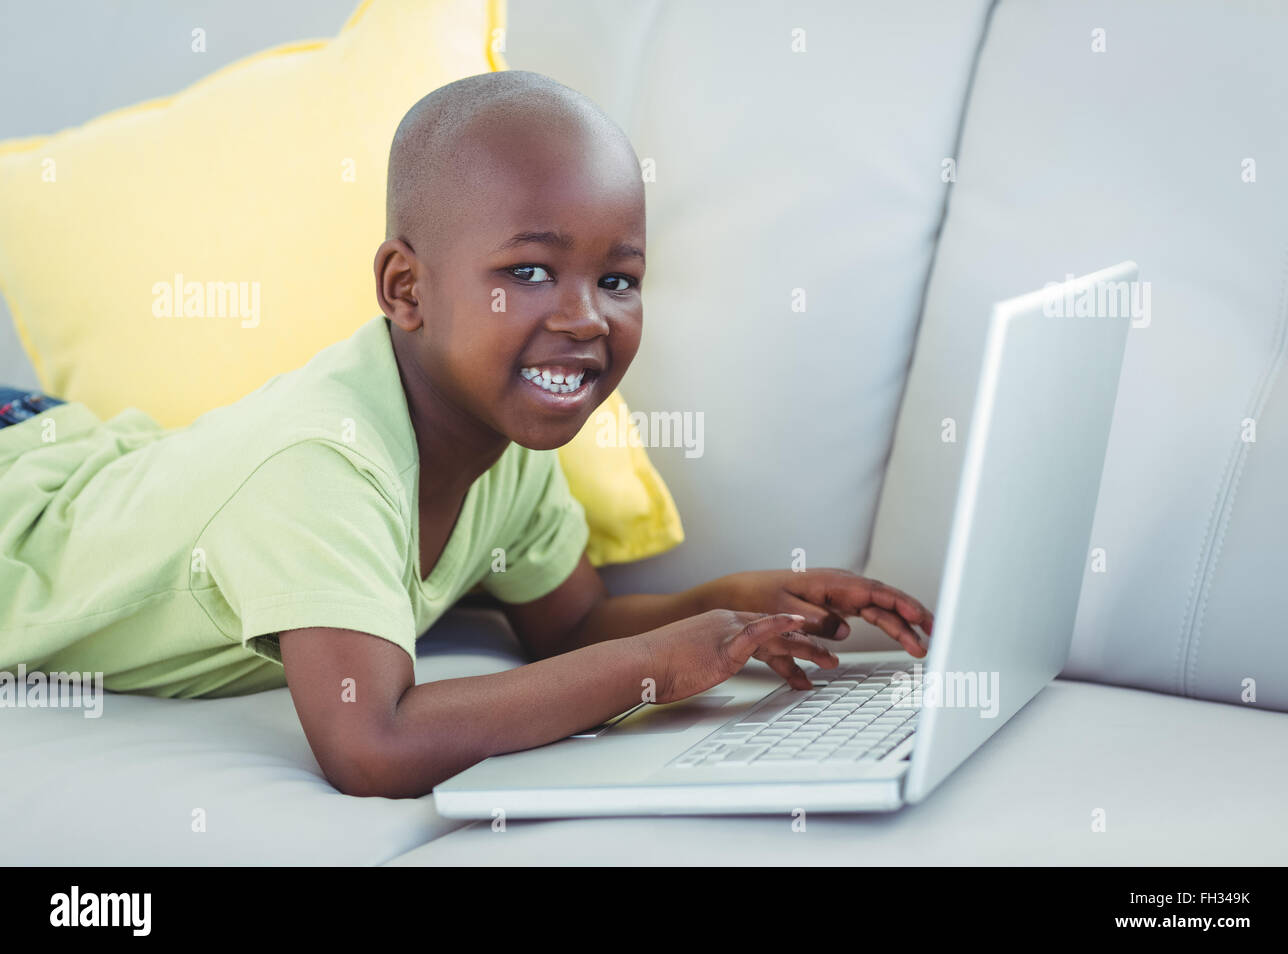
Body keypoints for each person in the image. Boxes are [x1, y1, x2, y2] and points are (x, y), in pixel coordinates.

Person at [0, 71, 932, 797]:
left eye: (618, 279)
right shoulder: (320, 465)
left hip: (75, 456)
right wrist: (653, 667)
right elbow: (374, 743)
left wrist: (740, 608)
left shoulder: (504, 445)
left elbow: (569, 627)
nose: (586, 319)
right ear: (406, 289)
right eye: (528, 273)